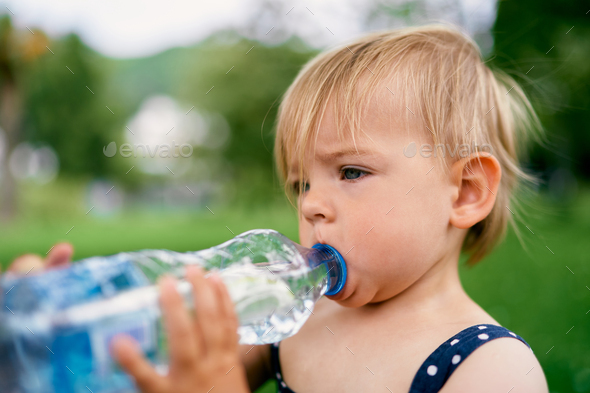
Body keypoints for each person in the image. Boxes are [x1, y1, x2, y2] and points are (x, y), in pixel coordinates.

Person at [4, 24, 550, 393]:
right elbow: (174, 366)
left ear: (465, 192)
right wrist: (75, 314)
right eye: (300, 183)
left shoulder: (487, 368)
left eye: (351, 172)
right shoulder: (296, 318)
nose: (311, 204)